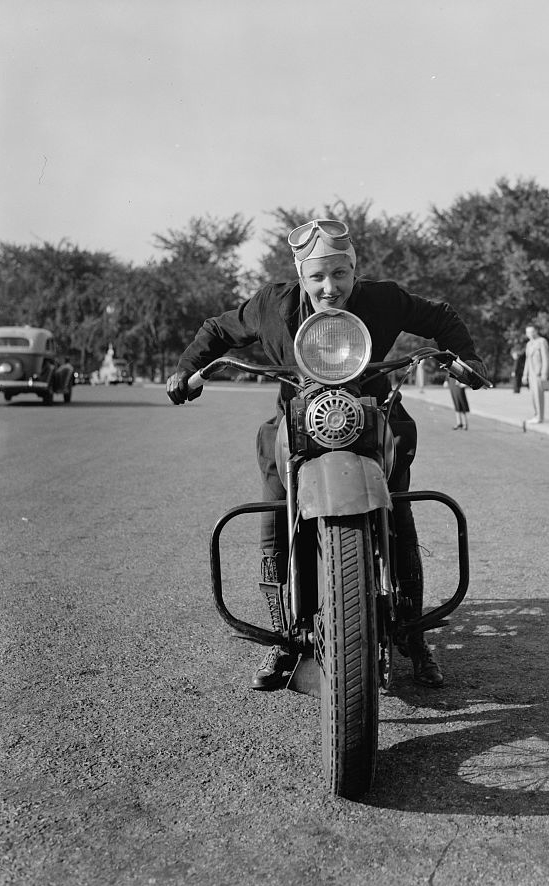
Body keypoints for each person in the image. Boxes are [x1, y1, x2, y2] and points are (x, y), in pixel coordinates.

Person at [166, 218, 487, 690]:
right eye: (317, 276)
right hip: (296, 420)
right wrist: (187, 370)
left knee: (399, 509)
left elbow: (440, 316)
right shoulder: (271, 305)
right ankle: (283, 635)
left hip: (371, 413)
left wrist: (465, 358)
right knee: (275, 507)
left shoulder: (382, 300)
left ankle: (414, 637)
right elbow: (218, 329)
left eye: (340, 273)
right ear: (300, 275)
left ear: (354, 270)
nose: (329, 287)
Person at [521, 323, 549, 427]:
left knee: (539, 396)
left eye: (531, 331)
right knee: (533, 396)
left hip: (539, 374)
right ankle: (536, 414)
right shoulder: (529, 344)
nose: (529, 334)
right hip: (531, 374)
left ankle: (540, 417)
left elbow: (546, 358)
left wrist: (544, 373)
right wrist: (525, 375)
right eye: (527, 332)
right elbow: (527, 361)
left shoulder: (542, 342)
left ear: (536, 331)